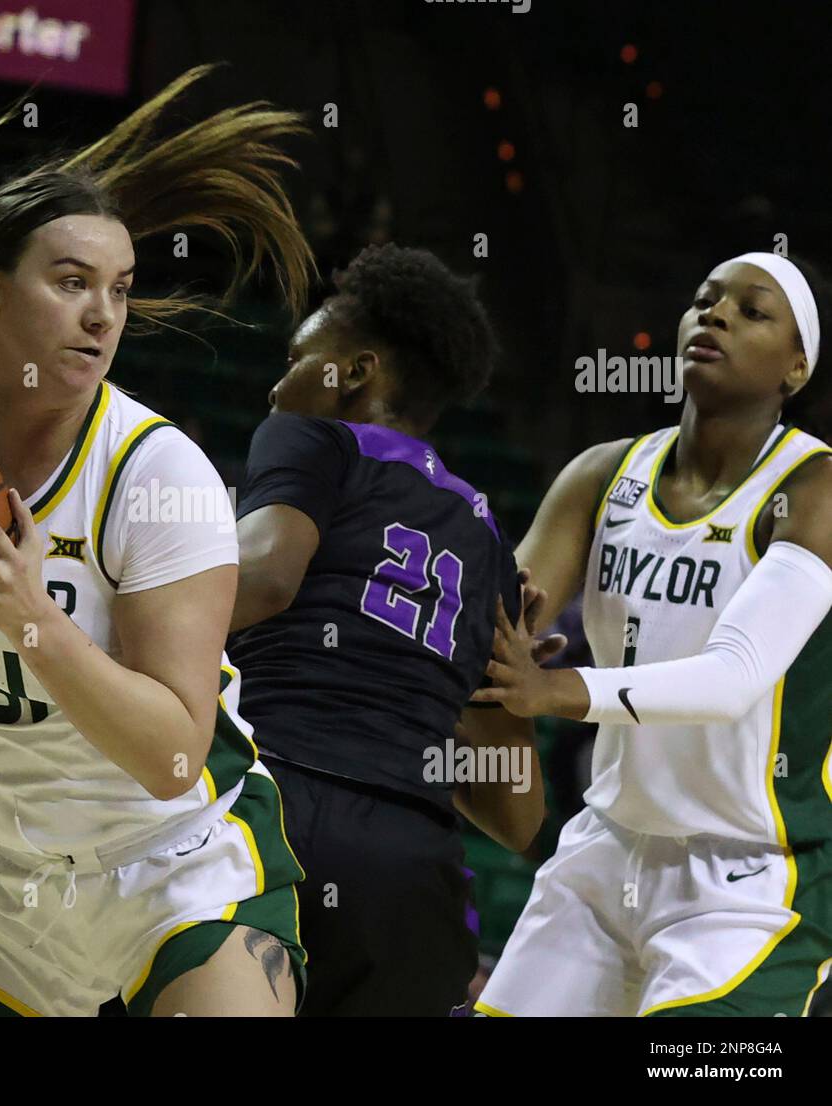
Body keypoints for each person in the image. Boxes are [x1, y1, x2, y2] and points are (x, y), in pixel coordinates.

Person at [0, 65, 317, 1018]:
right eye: (72, 283)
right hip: (4, 879)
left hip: (173, 865)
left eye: (119, 289)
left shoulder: (156, 472)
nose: (103, 315)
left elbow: (173, 759)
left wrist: (30, 617)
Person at [472, 252, 832, 1018]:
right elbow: (502, 626)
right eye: (705, 300)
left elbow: (733, 677)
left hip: (749, 876)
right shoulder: (604, 474)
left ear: (796, 368)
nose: (716, 315)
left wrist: (557, 689)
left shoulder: (813, 488)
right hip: (606, 848)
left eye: (751, 310)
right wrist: (503, 642)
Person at [226, 243, 544, 1016]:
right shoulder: (489, 541)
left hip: (267, 806)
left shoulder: (311, 436)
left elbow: (265, 579)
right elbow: (517, 815)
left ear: (355, 372)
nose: (277, 386)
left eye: (296, 360)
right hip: (411, 869)